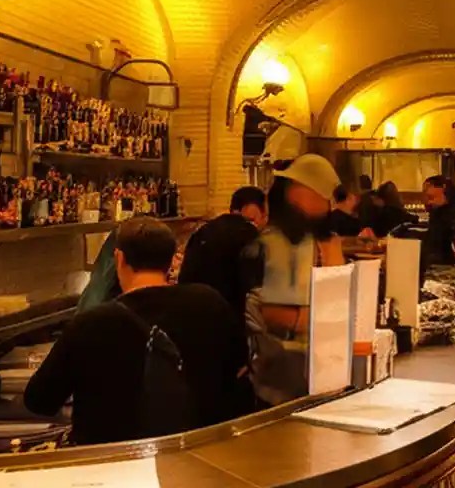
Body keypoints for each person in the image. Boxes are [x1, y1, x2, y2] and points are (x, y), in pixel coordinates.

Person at [25, 217, 250, 444]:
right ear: (172, 259)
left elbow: (39, 400)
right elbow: (239, 369)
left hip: (113, 464)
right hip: (196, 454)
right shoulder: (209, 303)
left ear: (119, 259)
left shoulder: (90, 323)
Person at [245, 153, 346, 407]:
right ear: (298, 194)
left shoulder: (316, 241)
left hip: (315, 371)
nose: (329, 206)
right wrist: (328, 317)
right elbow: (276, 315)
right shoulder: (277, 243)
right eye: (322, 196)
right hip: (284, 381)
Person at [177, 186, 267, 318]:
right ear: (251, 209)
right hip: (232, 323)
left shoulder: (202, 232)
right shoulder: (251, 237)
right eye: (264, 215)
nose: (265, 221)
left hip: (193, 318)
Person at [421, 175, 455, 273]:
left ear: (447, 198)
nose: (427, 202)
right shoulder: (441, 216)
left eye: (431, 197)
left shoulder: (444, 220)